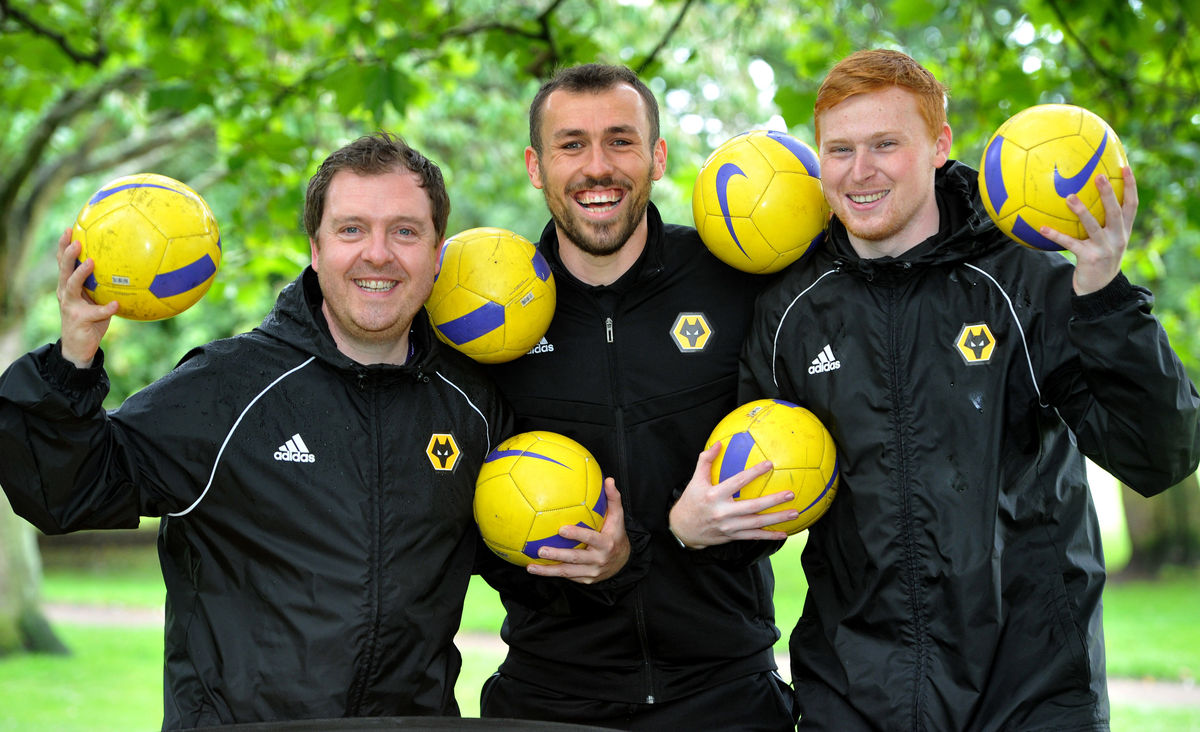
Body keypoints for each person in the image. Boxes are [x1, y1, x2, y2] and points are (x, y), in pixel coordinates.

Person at [739, 49, 1200, 730]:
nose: (858, 171)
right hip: (854, 698)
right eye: (839, 149)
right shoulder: (790, 312)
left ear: (939, 146)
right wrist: (700, 526)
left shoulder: (1029, 283)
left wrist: (1105, 294)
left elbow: (1160, 456)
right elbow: (752, 513)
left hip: (1032, 696)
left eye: (885, 145)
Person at [0, 132, 512, 729]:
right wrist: (71, 362)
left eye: (404, 230)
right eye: (351, 230)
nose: (378, 254)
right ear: (316, 250)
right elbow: (67, 494)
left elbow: (525, 563)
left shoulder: (471, 406)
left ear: (437, 251)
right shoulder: (226, 387)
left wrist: (597, 554)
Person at [477, 63, 798, 731]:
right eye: (572, 145)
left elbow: (792, 454)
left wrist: (688, 537)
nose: (598, 167)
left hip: (724, 693)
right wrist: (598, 564)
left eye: (620, 141)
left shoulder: (732, 282)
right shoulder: (485, 320)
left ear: (657, 157)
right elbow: (468, 520)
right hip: (550, 696)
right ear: (536, 167)